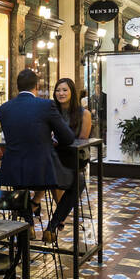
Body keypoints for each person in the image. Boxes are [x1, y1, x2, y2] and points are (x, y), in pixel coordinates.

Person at [0, 68, 77, 240]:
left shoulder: (4, 109)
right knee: (78, 181)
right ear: (37, 86)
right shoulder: (46, 105)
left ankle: (28, 223)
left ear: (16, 87)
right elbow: (68, 138)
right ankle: (53, 226)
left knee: (21, 185)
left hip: (14, 170)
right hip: (42, 171)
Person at [44, 78, 93, 242]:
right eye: (58, 90)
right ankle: (56, 218)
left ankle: (52, 221)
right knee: (50, 174)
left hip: (73, 158)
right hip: (54, 156)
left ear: (72, 92)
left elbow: (81, 141)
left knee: (77, 180)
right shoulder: (51, 111)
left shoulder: (84, 114)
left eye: (64, 90)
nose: (61, 93)